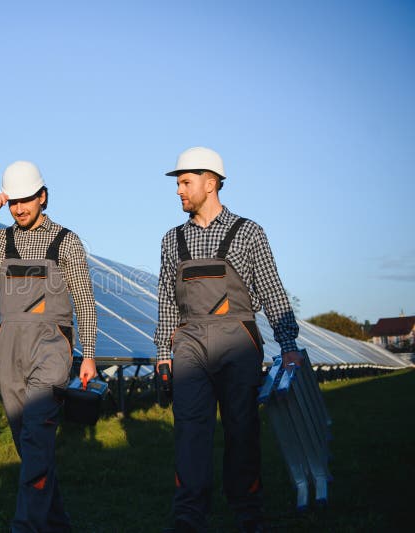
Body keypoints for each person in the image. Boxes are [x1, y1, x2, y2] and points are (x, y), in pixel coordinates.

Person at [154, 147, 302, 533]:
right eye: (178, 184)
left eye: (185, 182)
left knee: (242, 428)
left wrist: (287, 346)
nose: (178, 191)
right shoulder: (172, 240)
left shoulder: (249, 232)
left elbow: (272, 292)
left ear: (211, 181)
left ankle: (248, 510)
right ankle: (189, 515)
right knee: (189, 430)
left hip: (238, 343)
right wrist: (162, 355)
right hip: (189, 344)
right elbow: (167, 300)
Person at [0, 160, 97, 532]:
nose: (19, 208)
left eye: (26, 200)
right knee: (30, 445)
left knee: (36, 434)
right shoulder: (0, 241)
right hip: (9, 349)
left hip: (51, 348)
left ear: (43, 197)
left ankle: (25, 526)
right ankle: (58, 524)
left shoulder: (66, 241)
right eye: (13, 201)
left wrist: (89, 354)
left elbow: (84, 300)